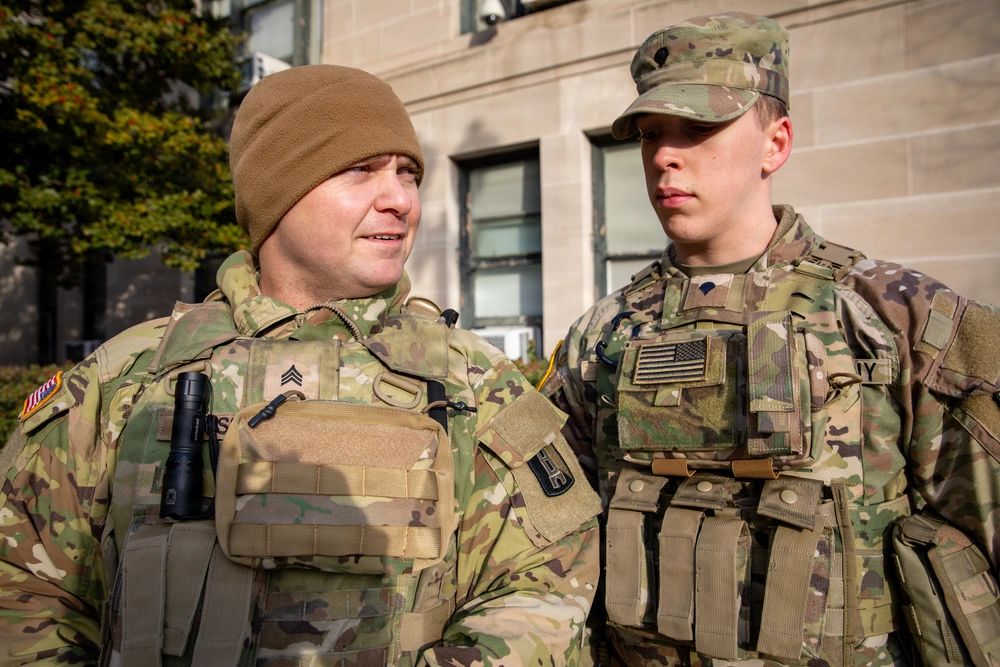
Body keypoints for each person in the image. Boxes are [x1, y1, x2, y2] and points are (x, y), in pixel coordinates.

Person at [0, 64, 602, 666]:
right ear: (277, 192)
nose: (399, 199)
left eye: (407, 173)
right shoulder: (124, 381)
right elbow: (25, 588)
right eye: (361, 169)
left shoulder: (477, 382)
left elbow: (546, 585)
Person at [539, 11, 1000, 667]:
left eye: (698, 129)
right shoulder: (601, 335)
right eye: (649, 134)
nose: (664, 155)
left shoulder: (894, 314)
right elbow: (546, 544)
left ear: (775, 143)